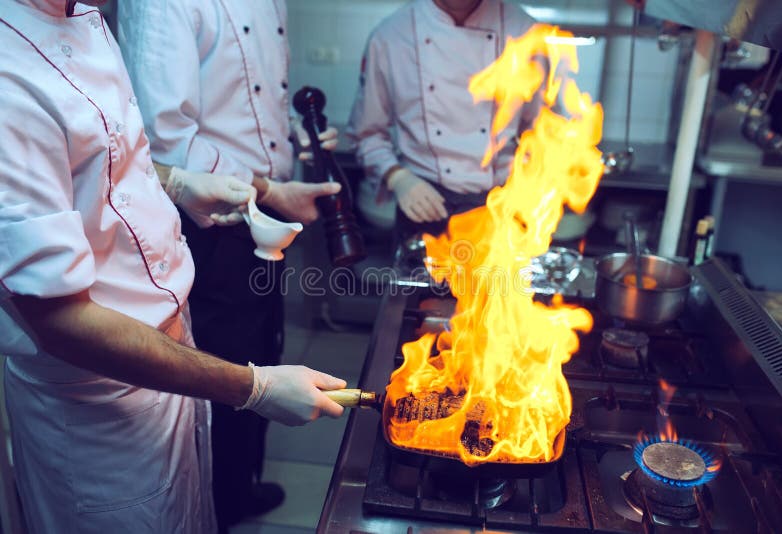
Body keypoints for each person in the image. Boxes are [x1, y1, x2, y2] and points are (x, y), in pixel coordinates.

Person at [0, 1, 346, 532]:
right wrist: (251, 387)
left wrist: (180, 184)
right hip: (96, 400)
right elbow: (59, 322)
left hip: (164, 355)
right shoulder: (8, 77)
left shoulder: (82, 15)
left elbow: (106, 159)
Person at [115, 1, 340, 530]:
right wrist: (269, 189)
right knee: (224, 361)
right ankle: (218, 500)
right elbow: (169, 138)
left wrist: (291, 140)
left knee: (264, 347)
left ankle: (239, 488)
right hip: (207, 219)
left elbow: (251, 105)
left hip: (259, 215)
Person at [348, 0, 537, 240]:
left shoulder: (525, 31)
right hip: (424, 204)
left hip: (503, 207)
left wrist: (529, 187)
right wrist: (398, 177)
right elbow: (367, 133)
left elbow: (546, 131)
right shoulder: (391, 36)